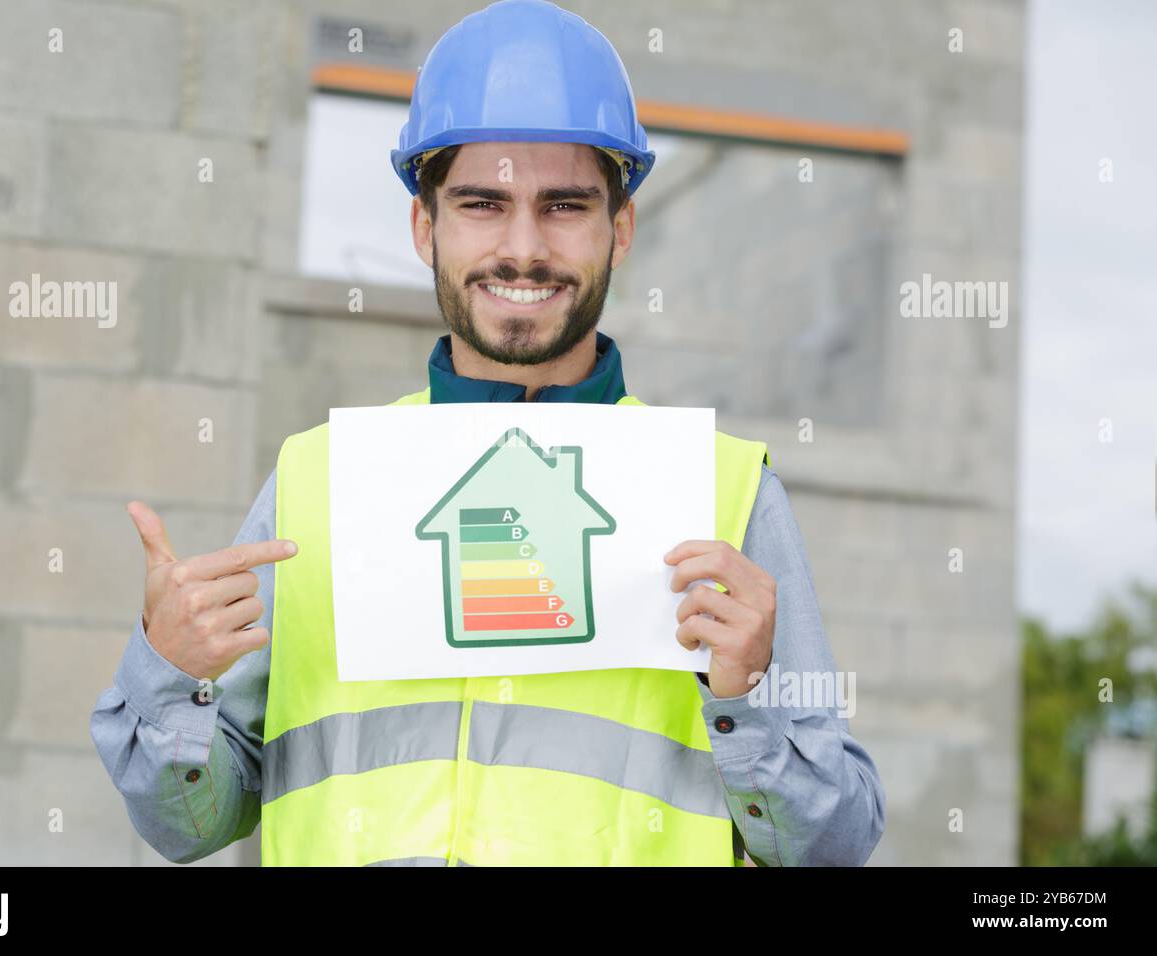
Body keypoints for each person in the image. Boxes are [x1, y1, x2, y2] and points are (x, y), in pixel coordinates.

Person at [91, 0, 885, 866]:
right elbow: (186, 828)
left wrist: (750, 699)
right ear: (425, 226)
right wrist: (168, 678)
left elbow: (834, 845)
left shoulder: (722, 493)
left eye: (563, 206)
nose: (522, 248)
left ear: (618, 229)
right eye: (482, 203)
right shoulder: (319, 484)